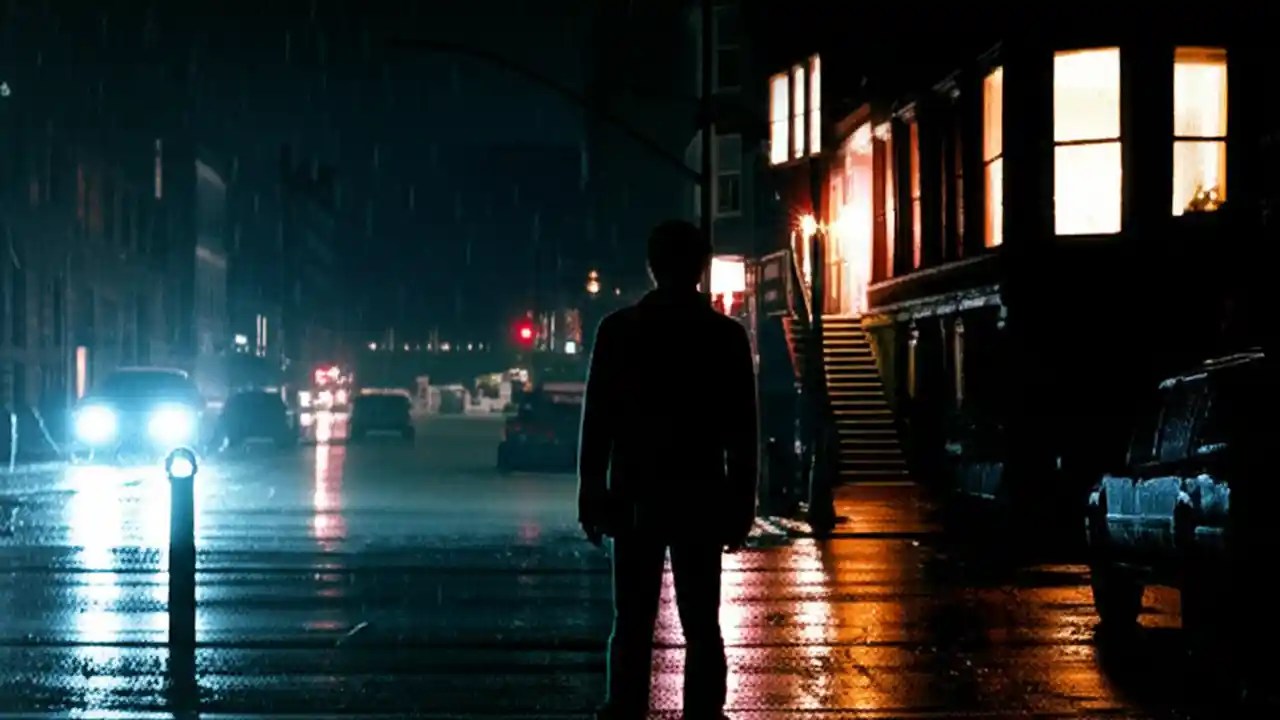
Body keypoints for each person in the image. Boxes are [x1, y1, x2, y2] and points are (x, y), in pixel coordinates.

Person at [578, 220, 759, 720]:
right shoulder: (724, 338)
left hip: (636, 493)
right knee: (702, 621)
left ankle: (626, 705)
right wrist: (741, 502)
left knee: (631, 618)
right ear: (700, 267)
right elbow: (742, 429)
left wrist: (591, 490)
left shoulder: (618, 331)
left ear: (651, 266)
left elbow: (599, 421)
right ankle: (703, 712)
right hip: (700, 493)